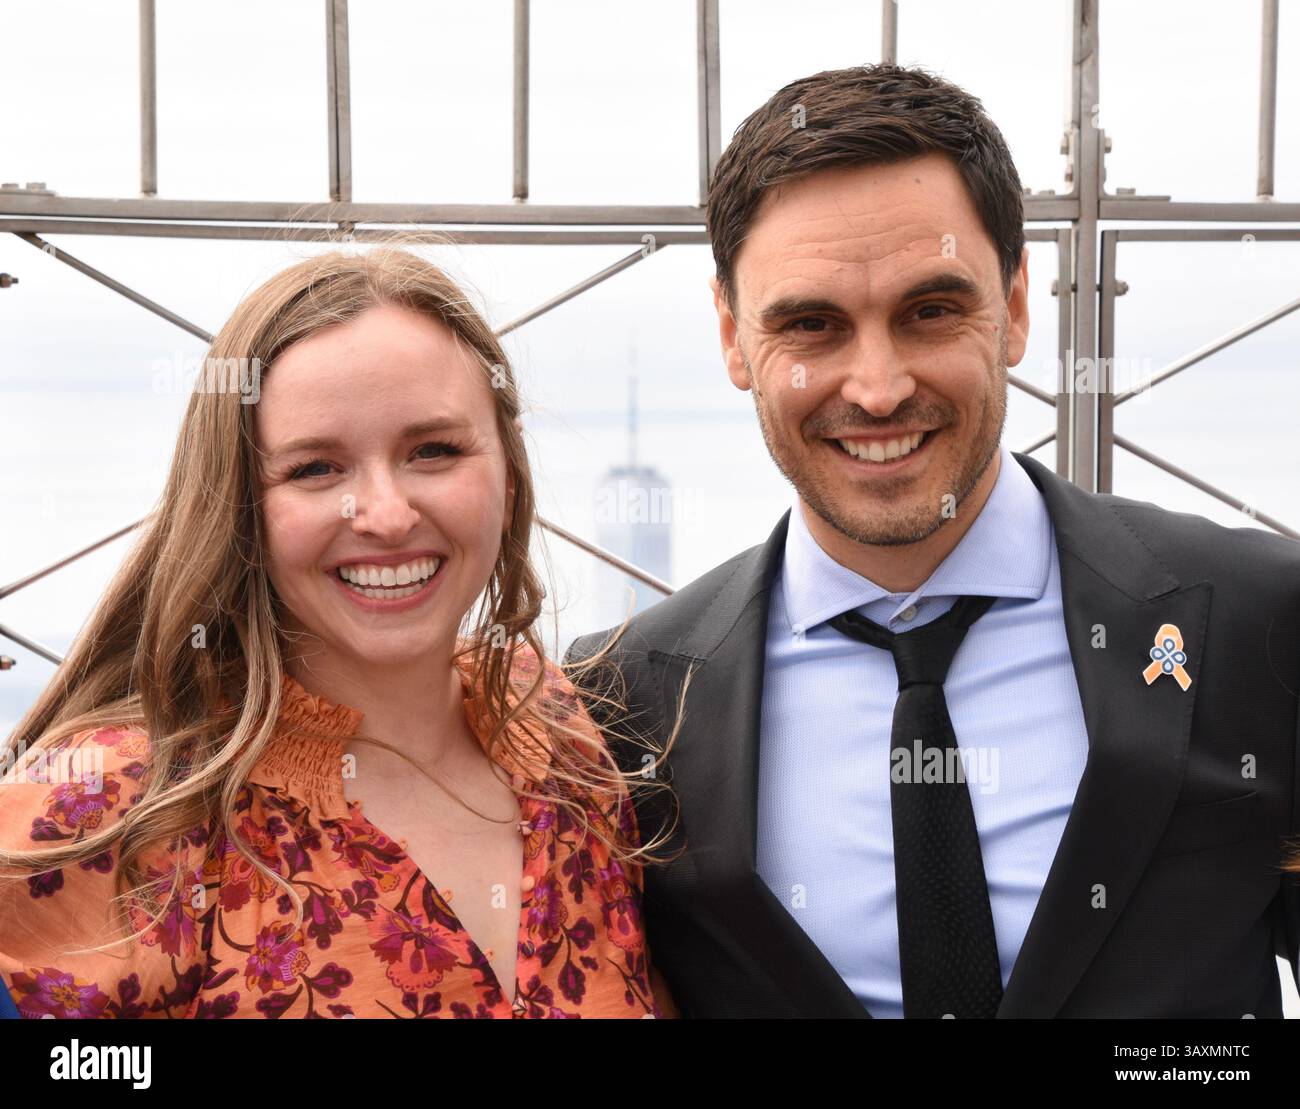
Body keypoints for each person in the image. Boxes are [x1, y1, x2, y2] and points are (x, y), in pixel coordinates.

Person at [566, 63, 1300, 1018]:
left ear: (1019, 304)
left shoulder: (1259, 620)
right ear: (732, 336)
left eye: (930, 310)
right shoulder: (620, 704)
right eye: (812, 324)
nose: (876, 387)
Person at [0, 246, 673, 1019]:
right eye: (316, 468)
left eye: (434, 451)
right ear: (240, 505)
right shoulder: (114, 801)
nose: (385, 514)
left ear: (509, 472)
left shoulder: (562, 734)